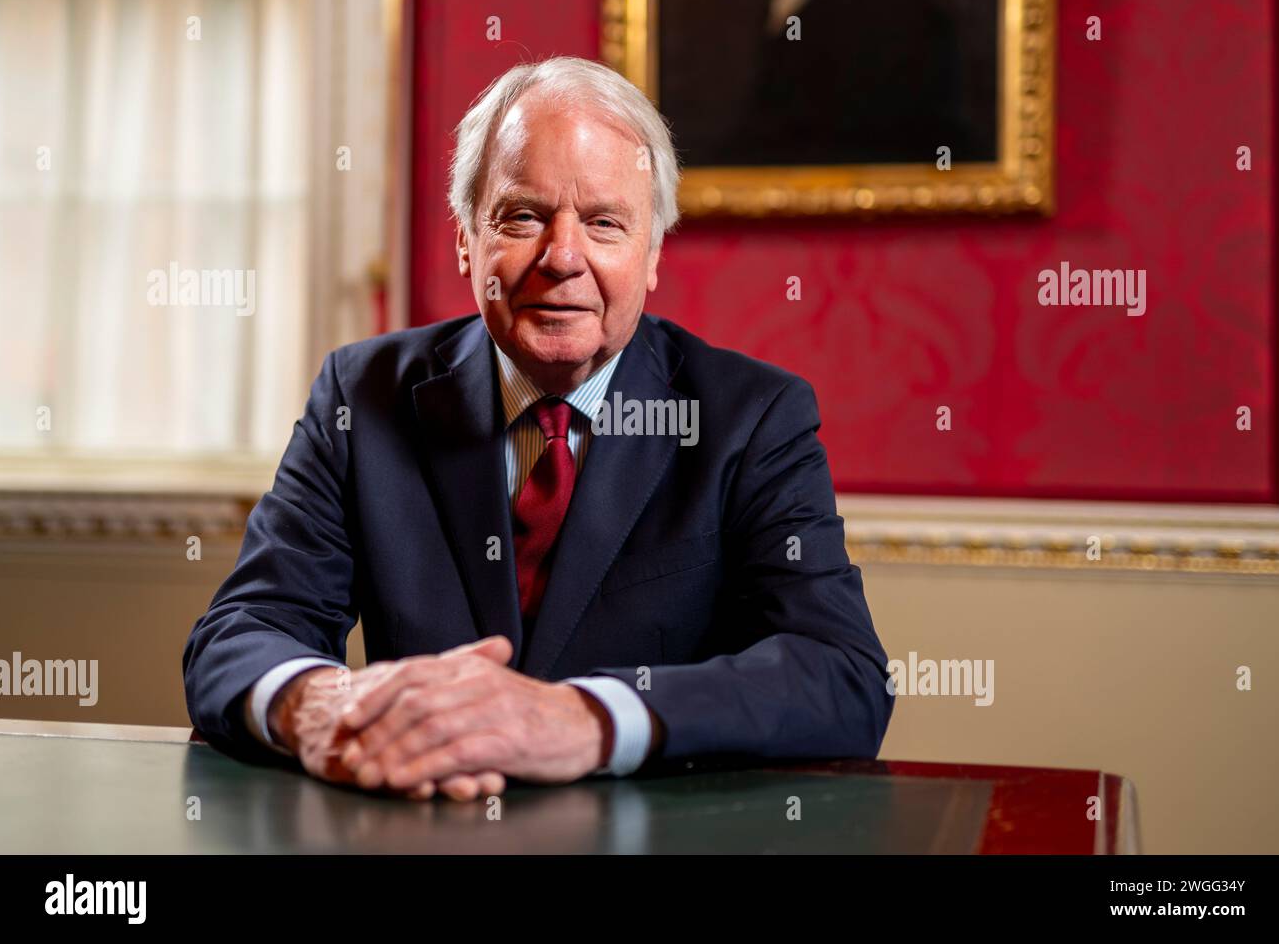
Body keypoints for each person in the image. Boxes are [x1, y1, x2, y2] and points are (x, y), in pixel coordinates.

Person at [183, 55, 892, 802]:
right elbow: (240, 633)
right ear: (466, 239)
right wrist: (323, 704)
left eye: (604, 223)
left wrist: (580, 718)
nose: (562, 258)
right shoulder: (362, 397)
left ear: (651, 255)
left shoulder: (751, 418)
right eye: (523, 216)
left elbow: (840, 675)